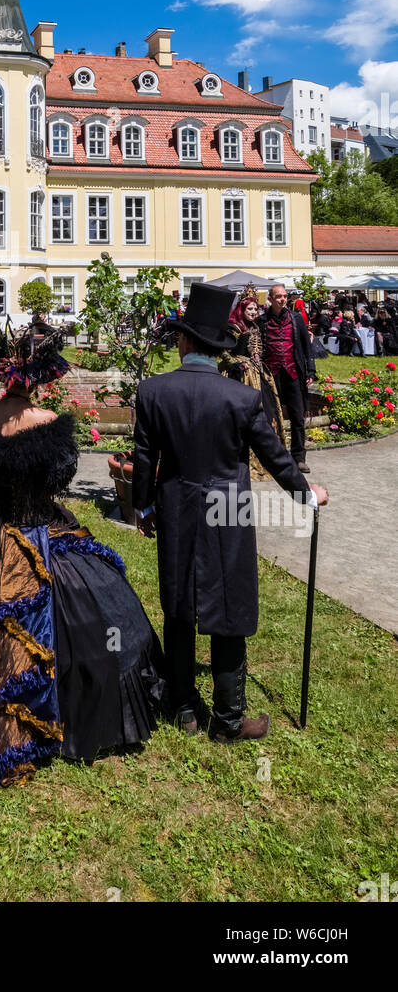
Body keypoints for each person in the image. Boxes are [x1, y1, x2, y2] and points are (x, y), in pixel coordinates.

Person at [0, 324, 165, 787]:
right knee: (95, 613)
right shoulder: (50, 425)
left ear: (4, 373)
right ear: (41, 379)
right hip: (40, 526)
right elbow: (58, 481)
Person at [133, 282, 328, 743]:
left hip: (176, 505)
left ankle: (183, 705)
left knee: (178, 603)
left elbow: (144, 457)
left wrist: (142, 506)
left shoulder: (154, 391)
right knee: (229, 606)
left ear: (183, 341)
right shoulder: (241, 398)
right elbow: (277, 455)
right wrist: (306, 495)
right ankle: (228, 719)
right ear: (219, 346)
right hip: (229, 509)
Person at [220, 286, 288, 477]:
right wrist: (233, 363)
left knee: (266, 411)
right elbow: (223, 349)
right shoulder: (233, 327)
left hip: (257, 373)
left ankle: (267, 456)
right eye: (249, 309)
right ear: (241, 310)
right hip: (238, 374)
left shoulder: (256, 327)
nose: (253, 312)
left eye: (255, 309)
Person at [257, 284, 316, 474]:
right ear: (270, 299)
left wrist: (311, 371)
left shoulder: (296, 319)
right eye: (278, 296)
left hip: (293, 373)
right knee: (270, 417)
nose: (282, 299)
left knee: (298, 416)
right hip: (271, 375)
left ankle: (298, 458)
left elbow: (307, 347)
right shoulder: (261, 321)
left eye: (284, 296)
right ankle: (274, 456)